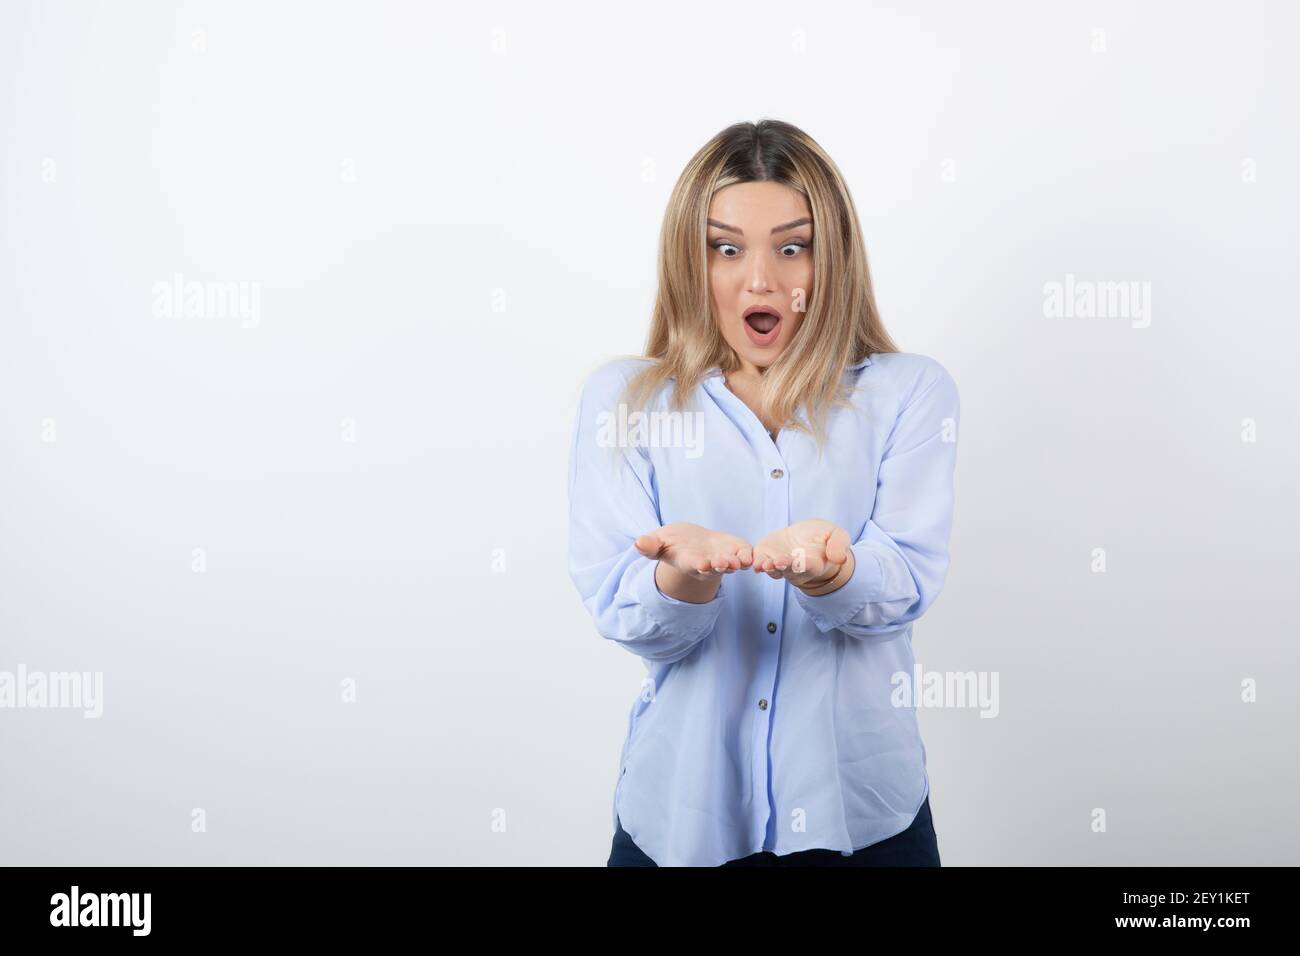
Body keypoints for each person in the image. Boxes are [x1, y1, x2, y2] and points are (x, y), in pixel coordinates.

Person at [567, 119, 959, 867]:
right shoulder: (624, 400)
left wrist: (834, 571)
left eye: (792, 246)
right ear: (691, 259)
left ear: (831, 256)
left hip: (862, 818)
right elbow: (627, 613)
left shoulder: (910, 394)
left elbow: (906, 579)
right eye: (725, 248)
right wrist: (684, 578)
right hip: (681, 816)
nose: (760, 281)